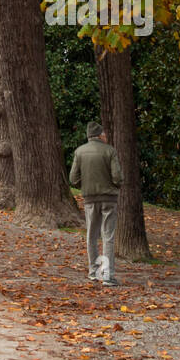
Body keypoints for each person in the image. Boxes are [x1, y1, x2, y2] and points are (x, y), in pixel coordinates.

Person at [70, 122, 122, 285]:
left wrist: (84, 187)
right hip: (108, 199)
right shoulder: (110, 151)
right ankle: (107, 276)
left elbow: (73, 179)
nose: (106, 136)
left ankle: (93, 271)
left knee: (91, 235)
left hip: (90, 199)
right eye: (104, 134)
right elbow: (117, 177)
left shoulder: (79, 152)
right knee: (108, 236)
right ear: (99, 135)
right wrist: (116, 185)